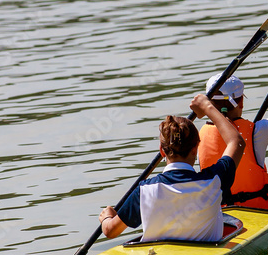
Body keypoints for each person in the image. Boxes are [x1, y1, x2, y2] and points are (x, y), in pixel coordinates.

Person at [98, 94, 245, 242]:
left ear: (162, 151)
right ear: (195, 149)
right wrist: (207, 107)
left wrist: (107, 217)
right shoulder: (214, 180)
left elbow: (110, 231)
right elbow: (236, 141)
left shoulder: (143, 191)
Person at [197, 52, 268, 210]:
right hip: (259, 211)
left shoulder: (197, 136)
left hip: (220, 216)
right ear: (240, 102)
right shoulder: (258, 132)